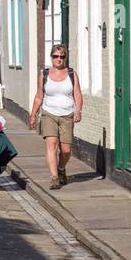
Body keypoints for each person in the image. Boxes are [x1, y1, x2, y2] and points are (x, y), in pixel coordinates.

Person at [29, 43, 83, 190]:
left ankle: (61, 169)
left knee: (65, 150)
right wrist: (33, 114)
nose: (58, 59)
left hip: (67, 114)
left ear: (65, 58)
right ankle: (54, 178)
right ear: (51, 57)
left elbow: (77, 93)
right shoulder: (44, 74)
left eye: (62, 56)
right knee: (51, 144)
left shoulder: (71, 74)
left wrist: (78, 110)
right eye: (55, 56)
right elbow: (39, 96)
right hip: (49, 113)